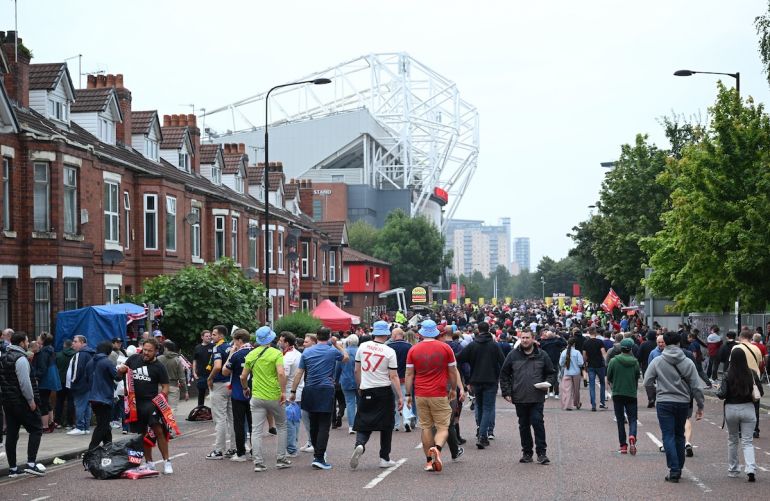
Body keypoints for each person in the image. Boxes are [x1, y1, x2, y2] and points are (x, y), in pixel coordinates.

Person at [643, 332, 704, 483]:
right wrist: (700, 406)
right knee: (679, 435)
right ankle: (679, 467)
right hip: (683, 402)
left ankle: (674, 469)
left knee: (668, 435)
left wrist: (656, 392)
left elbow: (647, 382)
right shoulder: (688, 362)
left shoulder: (657, 361)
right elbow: (697, 387)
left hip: (664, 402)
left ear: (665, 342)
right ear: (679, 343)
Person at [289, 327, 349, 470]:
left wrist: (293, 390)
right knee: (324, 425)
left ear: (317, 336)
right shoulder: (332, 351)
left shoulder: (307, 352)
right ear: (329, 336)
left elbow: (299, 373)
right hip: (326, 389)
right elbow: (345, 358)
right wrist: (337, 344)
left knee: (314, 423)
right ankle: (319, 457)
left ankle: (318, 453)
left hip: (309, 389)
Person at [404, 319, 459, 473]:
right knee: (442, 427)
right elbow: (452, 371)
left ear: (421, 333)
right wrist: (453, 388)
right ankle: (437, 449)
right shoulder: (445, 348)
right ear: (435, 332)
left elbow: (409, 374)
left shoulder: (413, 350)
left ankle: (429, 462)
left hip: (421, 392)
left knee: (426, 427)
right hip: (439, 392)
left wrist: (408, 394)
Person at [349, 321, 402, 469]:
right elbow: (393, 376)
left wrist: (360, 386)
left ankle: (360, 444)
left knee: (364, 421)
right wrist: (400, 396)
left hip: (366, 388)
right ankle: (384, 457)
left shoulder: (362, 346)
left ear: (374, 332)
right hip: (383, 390)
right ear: (386, 334)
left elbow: (356, 370)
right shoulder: (389, 351)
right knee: (387, 425)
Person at [116, 338, 173, 474]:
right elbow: (119, 375)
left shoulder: (159, 366)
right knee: (143, 434)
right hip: (135, 403)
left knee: (159, 431)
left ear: (156, 351)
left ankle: (167, 462)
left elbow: (165, 387)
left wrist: (161, 399)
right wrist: (121, 370)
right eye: (144, 350)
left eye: (149, 351)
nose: (146, 353)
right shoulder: (134, 359)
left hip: (151, 403)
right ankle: (149, 463)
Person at [500, 328, 557, 465]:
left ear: (533, 339)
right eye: (522, 338)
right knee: (524, 425)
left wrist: (548, 383)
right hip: (519, 397)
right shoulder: (513, 355)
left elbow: (551, 373)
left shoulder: (542, 355)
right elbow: (504, 374)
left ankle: (541, 453)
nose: (525, 340)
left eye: (527, 338)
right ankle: (527, 452)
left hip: (537, 396)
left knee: (538, 423)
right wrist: (507, 392)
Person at [242, 326, 291, 472]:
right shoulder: (276, 353)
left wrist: (245, 388)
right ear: (271, 338)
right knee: (282, 426)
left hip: (257, 396)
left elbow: (243, 376)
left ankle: (258, 462)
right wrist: (283, 392)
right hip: (274, 395)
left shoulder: (251, 354)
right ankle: (281, 459)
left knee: (256, 430)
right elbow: (281, 374)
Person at [0, 331, 46, 477]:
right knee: (36, 429)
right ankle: (31, 464)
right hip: (22, 402)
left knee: (12, 434)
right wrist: (31, 401)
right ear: (21, 343)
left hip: (8, 401)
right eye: (26, 341)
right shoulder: (21, 359)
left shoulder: (3, 357)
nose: (28, 344)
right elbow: (25, 383)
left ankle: (13, 469)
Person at [456, 321, 505, 449]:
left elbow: (459, 358)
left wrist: (466, 376)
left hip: (475, 380)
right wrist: (498, 375)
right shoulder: (494, 346)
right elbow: (503, 362)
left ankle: (480, 428)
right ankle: (483, 435)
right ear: (488, 329)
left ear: (478, 330)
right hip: (490, 380)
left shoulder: (472, 345)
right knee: (488, 408)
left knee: (479, 405)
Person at [717, 348, 758, 482]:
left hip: (731, 409)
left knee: (733, 439)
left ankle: (733, 469)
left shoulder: (727, 374)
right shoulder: (751, 373)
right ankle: (750, 469)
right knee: (747, 441)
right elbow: (760, 393)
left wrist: (718, 388)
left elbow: (722, 395)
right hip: (748, 408)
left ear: (731, 359)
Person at [222, 329, 253, 462]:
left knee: (239, 423)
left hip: (238, 393)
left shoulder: (236, 355)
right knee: (254, 424)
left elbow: (225, 372)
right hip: (255, 392)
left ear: (239, 340)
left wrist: (231, 354)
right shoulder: (256, 352)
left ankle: (241, 453)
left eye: (235, 340)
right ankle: (254, 451)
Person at [607, 338, 641, 455]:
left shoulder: (613, 361)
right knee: (632, 418)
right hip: (631, 393)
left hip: (617, 393)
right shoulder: (635, 362)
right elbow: (637, 376)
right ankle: (632, 436)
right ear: (631, 349)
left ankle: (623, 445)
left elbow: (609, 376)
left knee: (620, 420)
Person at [206, 325, 235, 459]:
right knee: (232, 417)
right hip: (230, 384)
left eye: (214, 334)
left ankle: (219, 449)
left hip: (219, 384)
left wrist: (210, 377)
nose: (212, 336)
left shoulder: (217, 347)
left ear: (221, 336)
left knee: (220, 418)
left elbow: (217, 366)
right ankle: (234, 448)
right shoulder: (230, 347)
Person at [86, 341, 117, 450]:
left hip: (93, 398)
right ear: (108, 351)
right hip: (105, 398)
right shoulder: (107, 362)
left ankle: (109, 448)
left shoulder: (90, 363)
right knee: (102, 426)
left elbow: (87, 379)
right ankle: (91, 449)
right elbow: (117, 376)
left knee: (105, 425)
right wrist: (122, 371)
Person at [733, 329, 764, 438]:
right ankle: (755, 430)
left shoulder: (736, 348)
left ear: (740, 337)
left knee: (740, 405)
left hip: (739, 380)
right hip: (755, 380)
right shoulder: (756, 348)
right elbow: (760, 364)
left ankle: (741, 430)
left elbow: (732, 365)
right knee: (755, 405)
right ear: (751, 338)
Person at [66, 335, 95, 435]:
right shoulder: (89, 353)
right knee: (86, 407)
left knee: (79, 406)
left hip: (80, 385)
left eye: (75, 341)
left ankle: (79, 427)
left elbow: (77, 371)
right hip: (87, 385)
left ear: (82, 342)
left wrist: (73, 382)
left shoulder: (81, 354)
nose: (73, 343)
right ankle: (86, 427)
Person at [278, 332, 301, 456]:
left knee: (289, 422)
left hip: (289, 392)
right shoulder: (298, 354)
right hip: (298, 391)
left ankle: (291, 448)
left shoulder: (288, 357)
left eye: (281, 341)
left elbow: (284, 376)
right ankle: (293, 445)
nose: (279, 342)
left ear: (286, 343)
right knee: (295, 420)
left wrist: (280, 391)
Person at [389, 328, 414, 432]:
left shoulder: (389, 347)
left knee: (395, 401)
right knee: (407, 398)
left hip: (393, 377)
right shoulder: (409, 347)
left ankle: (395, 424)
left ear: (394, 336)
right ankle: (407, 421)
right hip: (406, 377)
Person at [33, 332, 59, 433]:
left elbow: (42, 368)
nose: (37, 338)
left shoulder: (44, 352)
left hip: (45, 380)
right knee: (47, 401)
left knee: (43, 402)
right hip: (50, 378)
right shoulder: (50, 349)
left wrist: (36, 377)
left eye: (39, 337)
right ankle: (51, 423)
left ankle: (45, 426)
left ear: (43, 340)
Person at [582, 326, 607, 411]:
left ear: (589, 332)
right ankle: (602, 402)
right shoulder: (600, 342)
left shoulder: (586, 343)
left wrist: (585, 363)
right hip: (600, 365)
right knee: (602, 383)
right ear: (595, 332)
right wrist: (607, 362)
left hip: (591, 365)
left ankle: (593, 404)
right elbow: (603, 353)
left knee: (592, 385)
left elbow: (584, 356)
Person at [338, 334, 359, 434]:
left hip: (346, 380)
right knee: (360, 403)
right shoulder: (361, 351)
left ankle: (351, 426)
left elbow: (338, 368)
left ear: (348, 342)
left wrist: (336, 379)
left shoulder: (343, 353)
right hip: (360, 380)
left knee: (350, 403)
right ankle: (360, 424)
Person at [54, 339, 76, 430]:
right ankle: (70, 423)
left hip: (60, 381)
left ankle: (57, 422)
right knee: (71, 401)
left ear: (64, 345)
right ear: (71, 345)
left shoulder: (58, 355)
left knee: (59, 401)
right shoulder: (75, 355)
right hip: (71, 381)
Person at [157, 341, 185, 412]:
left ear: (166, 348)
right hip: (173, 387)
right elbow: (182, 377)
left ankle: (162, 422)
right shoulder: (177, 360)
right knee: (172, 410)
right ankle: (170, 422)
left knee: (161, 409)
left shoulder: (158, 359)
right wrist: (185, 391)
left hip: (161, 386)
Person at [538, 329, 566, 400]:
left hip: (545, 362)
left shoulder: (543, 342)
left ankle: (545, 394)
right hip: (554, 362)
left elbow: (538, 343)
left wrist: (542, 337)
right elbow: (564, 343)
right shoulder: (556, 342)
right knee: (555, 378)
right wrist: (558, 337)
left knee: (545, 377)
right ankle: (556, 393)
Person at [558, 337, 584, 411]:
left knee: (567, 390)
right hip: (576, 372)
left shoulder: (564, 352)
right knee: (576, 390)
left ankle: (567, 405)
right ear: (574, 344)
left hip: (567, 372)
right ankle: (577, 403)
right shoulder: (577, 352)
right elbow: (580, 363)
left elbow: (561, 363)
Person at [192, 330, 213, 407]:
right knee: (201, 393)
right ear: (202, 337)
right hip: (201, 374)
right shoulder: (197, 347)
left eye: (209, 336)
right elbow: (194, 360)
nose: (208, 337)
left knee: (213, 394)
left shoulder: (213, 346)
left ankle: (213, 412)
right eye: (206, 336)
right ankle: (200, 410)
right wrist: (194, 372)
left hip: (212, 374)